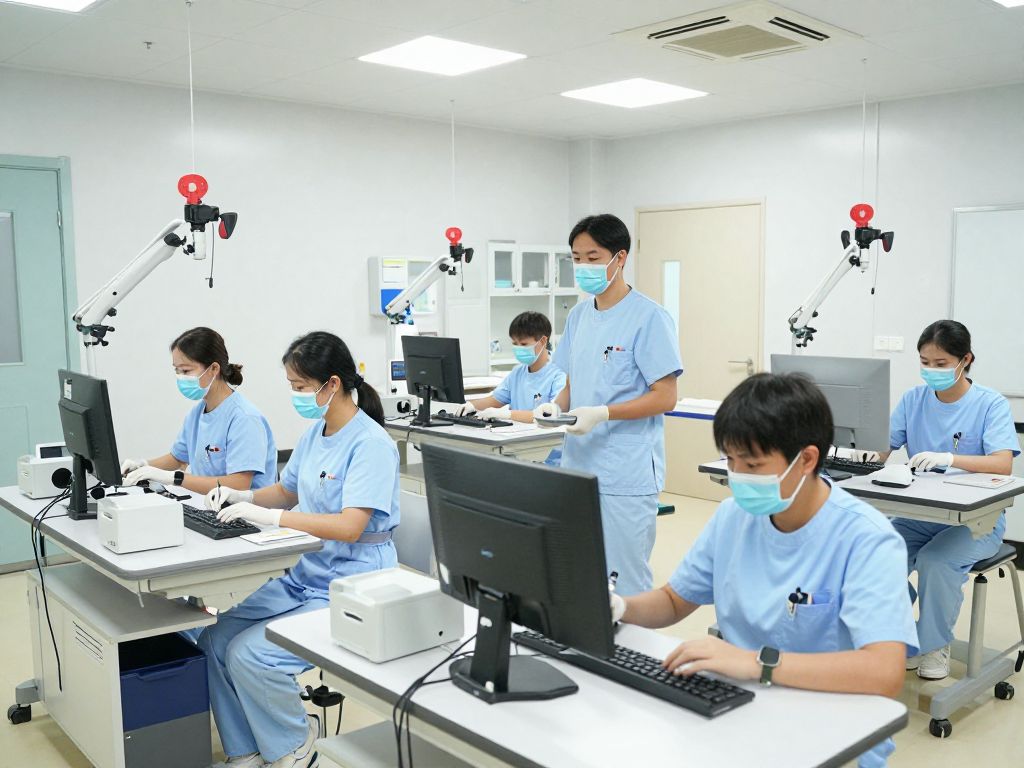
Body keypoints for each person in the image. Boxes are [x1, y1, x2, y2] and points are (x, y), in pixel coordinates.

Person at [613, 373, 917, 768]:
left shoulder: (867, 540)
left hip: (834, 733)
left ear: (806, 459)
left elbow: (884, 671)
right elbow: (673, 601)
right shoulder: (732, 517)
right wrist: (617, 606)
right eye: (730, 460)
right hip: (739, 709)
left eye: (752, 464)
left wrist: (759, 664)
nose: (737, 476)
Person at [198, 331, 400, 768]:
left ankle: (294, 748)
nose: (296, 395)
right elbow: (286, 492)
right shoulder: (316, 434)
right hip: (308, 577)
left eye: (300, 387)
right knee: (214, 640)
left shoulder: (371, 445)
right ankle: (246, 752)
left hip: (357, 584)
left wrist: (273, 520)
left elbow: (350, 527)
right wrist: (246, 499)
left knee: (252, 655)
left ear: (331, 384)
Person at [534, 214, 681, 596]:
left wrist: (603, 413)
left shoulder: (649, 317)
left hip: (624, 473)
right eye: (576, 258)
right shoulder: (580, 315)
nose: (583, 267)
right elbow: (573, 381)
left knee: (623, 582)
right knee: (579, 571)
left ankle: (631, 654)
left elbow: (665, 396)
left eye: (593, 257)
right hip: (578, 464)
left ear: (620, 258)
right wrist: (555, 405)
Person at [866, 320, 1018, 680]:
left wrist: (950, 459)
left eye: (940, 364)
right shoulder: (913, 399)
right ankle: (901, 636)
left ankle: (934, 645)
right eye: (924, 363)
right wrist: (848, 451)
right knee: (879, 555)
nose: (930, 371)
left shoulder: (989, 404)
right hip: (921, 513)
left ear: (965, 360)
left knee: (936, 561)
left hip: (977, 522)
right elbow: (882, 449)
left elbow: (1003, 462)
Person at [120, 327, 277, 495]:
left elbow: (239, 484)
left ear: (214, 369)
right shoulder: (198, 413)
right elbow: (178, 458)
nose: (180, 376)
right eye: (177, 370)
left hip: (248, 515)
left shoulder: (244, 418)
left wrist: (176, 479)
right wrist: (143, 466)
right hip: (209, 507)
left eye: (186, 370)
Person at [455, 311, 566, 424]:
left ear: (542, 341)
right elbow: (496, 399)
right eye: (515, 343)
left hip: (544, 438)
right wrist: (471, 405)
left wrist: (507, 414)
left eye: (523, 344)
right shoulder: (518, 372)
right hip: (515, 435)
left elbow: (552, 415)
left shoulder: (559, 374)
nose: (518, 348)